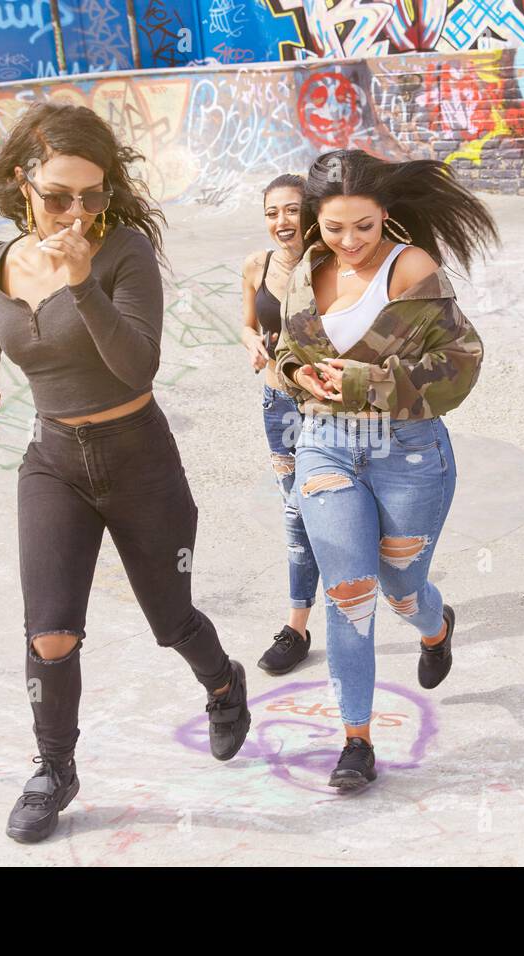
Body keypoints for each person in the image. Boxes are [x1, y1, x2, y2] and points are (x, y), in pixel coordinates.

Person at [0, 102, 251, 843]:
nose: (77, 211)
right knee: (50, 633)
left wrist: (83, 283)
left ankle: (223, 683)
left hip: (138, 457)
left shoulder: (121, 254)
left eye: (92, 195)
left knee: (170, 619)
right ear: (24, 183)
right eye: (60, 196)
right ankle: (53, 769)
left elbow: (136, 365)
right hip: (53, 462)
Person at [273, 148, 498, 791]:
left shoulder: (415, 270)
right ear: (317, 220)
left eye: (364, 227)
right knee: (350, 595)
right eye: (334, 227)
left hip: (409, 454)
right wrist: (296, 372)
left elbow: (461, 366)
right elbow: (285, 351)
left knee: (402, 593)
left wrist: (365, 383)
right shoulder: (305, 271)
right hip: (325, 449)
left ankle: (436, 625)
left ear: (386, 218)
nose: (349, 243)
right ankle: (356, 741)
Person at [239, 174, 321, 676]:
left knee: (347, 503)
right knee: (296, 511)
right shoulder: (256, 265)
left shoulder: (330, 261)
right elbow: (248, 323)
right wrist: (251, 343)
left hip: (330, 405)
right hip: (279, 404)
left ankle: (403, 596)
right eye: (272, 213)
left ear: (310, 214)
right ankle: (297, 627)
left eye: (291, 211)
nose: (281, 222)